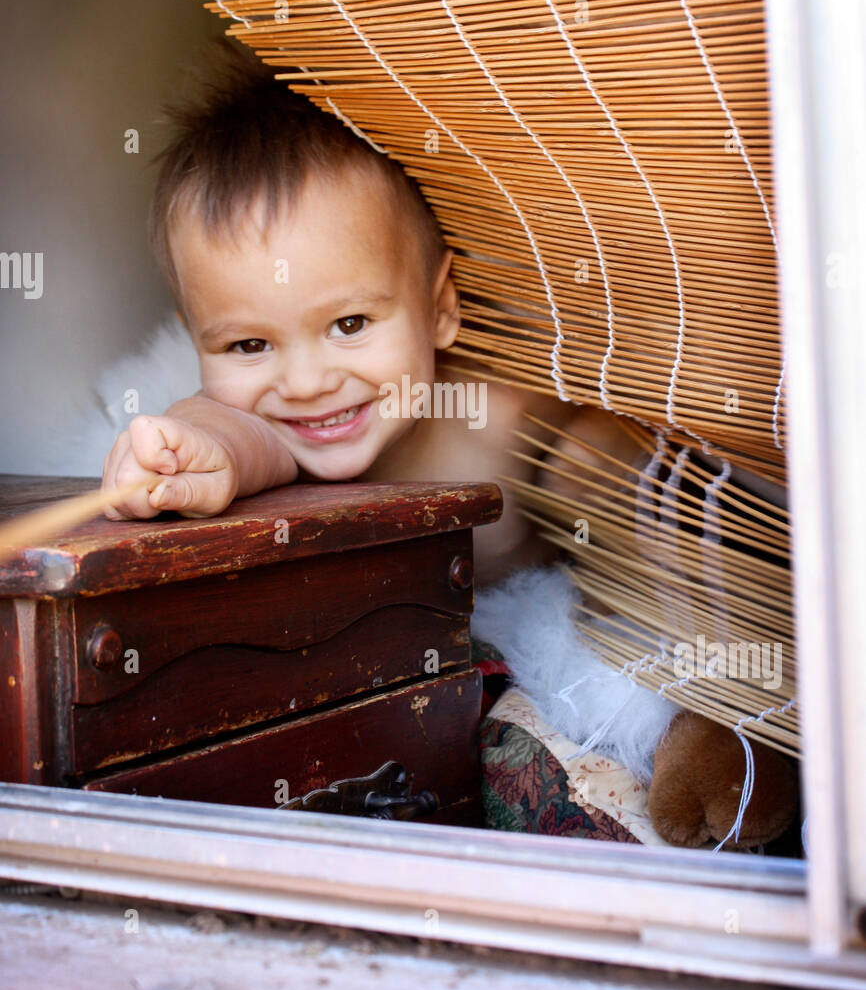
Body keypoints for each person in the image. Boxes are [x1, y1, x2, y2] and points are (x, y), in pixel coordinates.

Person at [100, 42, 632, 585]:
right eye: (249, 345)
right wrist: (179, 457)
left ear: (440, 306)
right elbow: (216, 431)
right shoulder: (268, 433)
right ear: (195, 339)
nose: (306, 384)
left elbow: (629, 422)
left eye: (349, 325)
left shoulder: (498, 418)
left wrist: (602, 464)